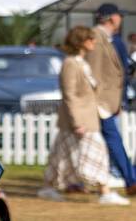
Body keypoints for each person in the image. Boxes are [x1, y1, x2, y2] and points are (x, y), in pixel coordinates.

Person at [39, 26, 128, 206]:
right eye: (90, 39)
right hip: (80, 120)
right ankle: (105, 191)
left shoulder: (81, 62)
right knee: (99, 152)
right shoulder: (71, 64)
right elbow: (70, 94)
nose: (94, 42)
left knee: (60, 155)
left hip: (87, 118)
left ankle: (48, 187)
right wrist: (77, 121)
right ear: (81, 42)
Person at [87, 4, 134, 191]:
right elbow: (95, 72)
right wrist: (100, 101)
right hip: (101, 102)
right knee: (112, 139)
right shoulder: (97, 39)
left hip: (108, 101)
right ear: (112, 18)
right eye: (118, 16)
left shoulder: (110, 39)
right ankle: (130, 180)